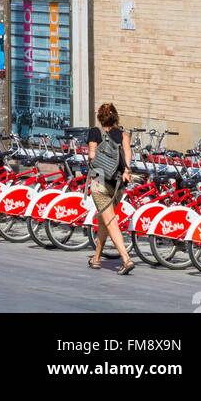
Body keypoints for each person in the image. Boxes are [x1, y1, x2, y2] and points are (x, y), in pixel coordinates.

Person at [87, 101, 135, 275]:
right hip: (118, 182)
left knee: (109, 221)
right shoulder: (124, 135)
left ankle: (126, 259)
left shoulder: (95, 132)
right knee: (104, 221)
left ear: (100, 118)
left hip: (99, 179)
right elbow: (127, 158)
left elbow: (92, 156)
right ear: (116, 117)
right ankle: (97, 259)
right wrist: (127, 170)